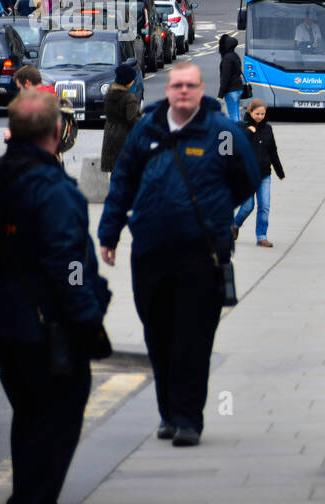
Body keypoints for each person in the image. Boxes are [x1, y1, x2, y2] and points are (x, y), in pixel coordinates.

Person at [0, 89, 111, 504]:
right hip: (48, 326)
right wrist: (89, 319)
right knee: (59, 414)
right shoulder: (52, 189)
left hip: (4, 317)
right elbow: (67, 266)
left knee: (30, 415)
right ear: (57, 132)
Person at [98, 61, 260, 446]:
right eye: (177, 86)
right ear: (167, 90)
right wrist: (109, 231)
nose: (183, 91)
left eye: (191, 86)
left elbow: (248, 177)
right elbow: (123, 181)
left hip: (201, 253)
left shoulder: (221, 131)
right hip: (151, 252)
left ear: (201, 90)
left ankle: (188, 418)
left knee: (193, 337)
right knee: (159, 335)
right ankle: (168, 413)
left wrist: (217, 208)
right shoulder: (147, 130)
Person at [232, 99, 285, 248]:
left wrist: (279, 171)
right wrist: (249, 131)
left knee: (265, 206)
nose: (260, 116)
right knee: (248, 206)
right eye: (257, 114)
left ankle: (262, 236)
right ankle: (235, 225)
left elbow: (273, 151)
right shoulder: (241, 127)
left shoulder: (267, 129)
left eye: (262, 114)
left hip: (264, 174)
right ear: (250, 112)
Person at [100, 63, 141, 173]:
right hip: (124, 135)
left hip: (110, 133)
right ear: (128, 81)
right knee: (126, 170)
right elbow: (132, 119)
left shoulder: (108, 95)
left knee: (114, 169)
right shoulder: (129, 98)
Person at [218, 33, 244, 121]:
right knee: (237, 114)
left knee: (233, 116)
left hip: (231, 90)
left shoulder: (227, 58)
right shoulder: (235, 56)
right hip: (238, 88)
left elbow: (225, 78)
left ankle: (237, 133)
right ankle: (241, 131)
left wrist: (220, 95)